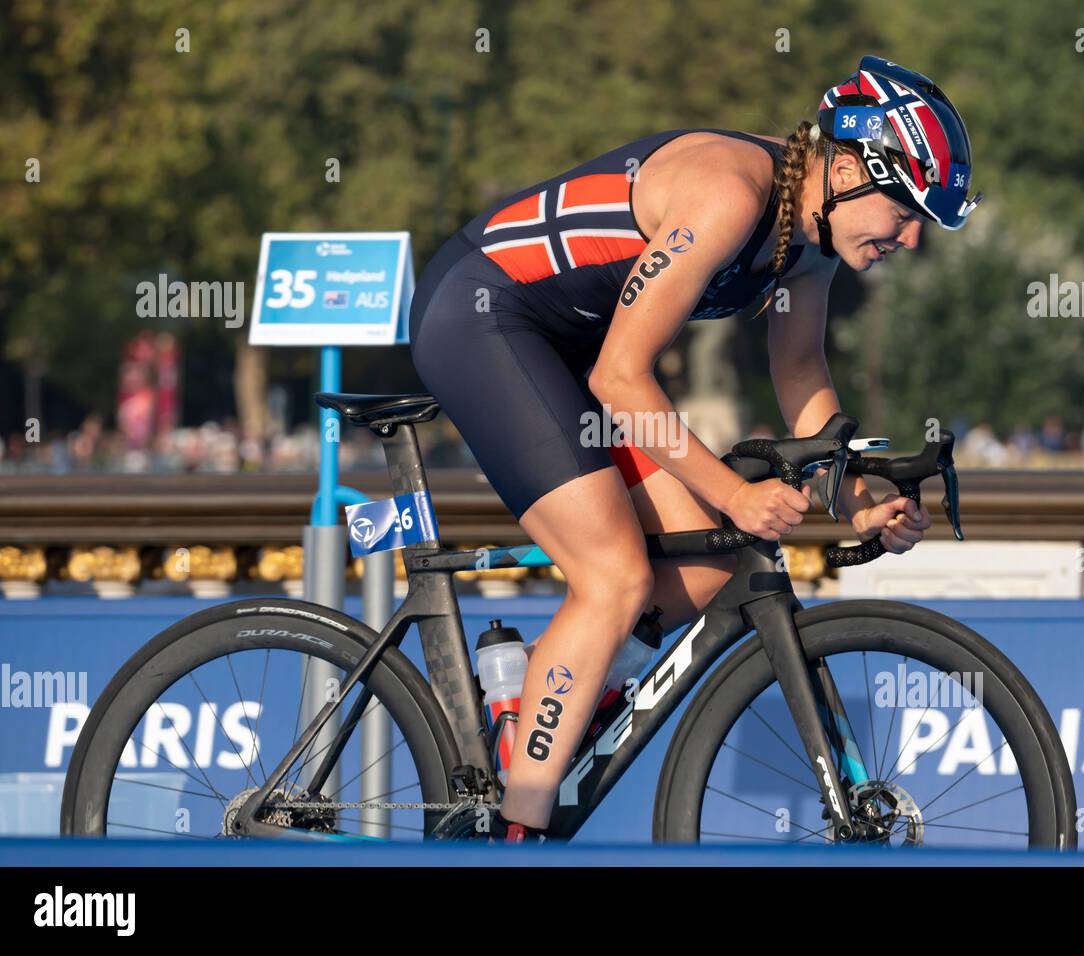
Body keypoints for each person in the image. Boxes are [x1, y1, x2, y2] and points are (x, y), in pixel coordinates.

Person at [408, 55, 979, 842]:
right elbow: (620, 377)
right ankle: (518, 833)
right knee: (612, 575)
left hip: (568, 349)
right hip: (485, 320)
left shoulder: (810, 235)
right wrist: (737, 494)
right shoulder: (729, 196)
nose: (911, 237)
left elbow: (802, 373)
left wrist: (859, 497)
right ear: (846, 168)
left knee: (709, 566)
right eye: (906, 209)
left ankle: (539, 690)